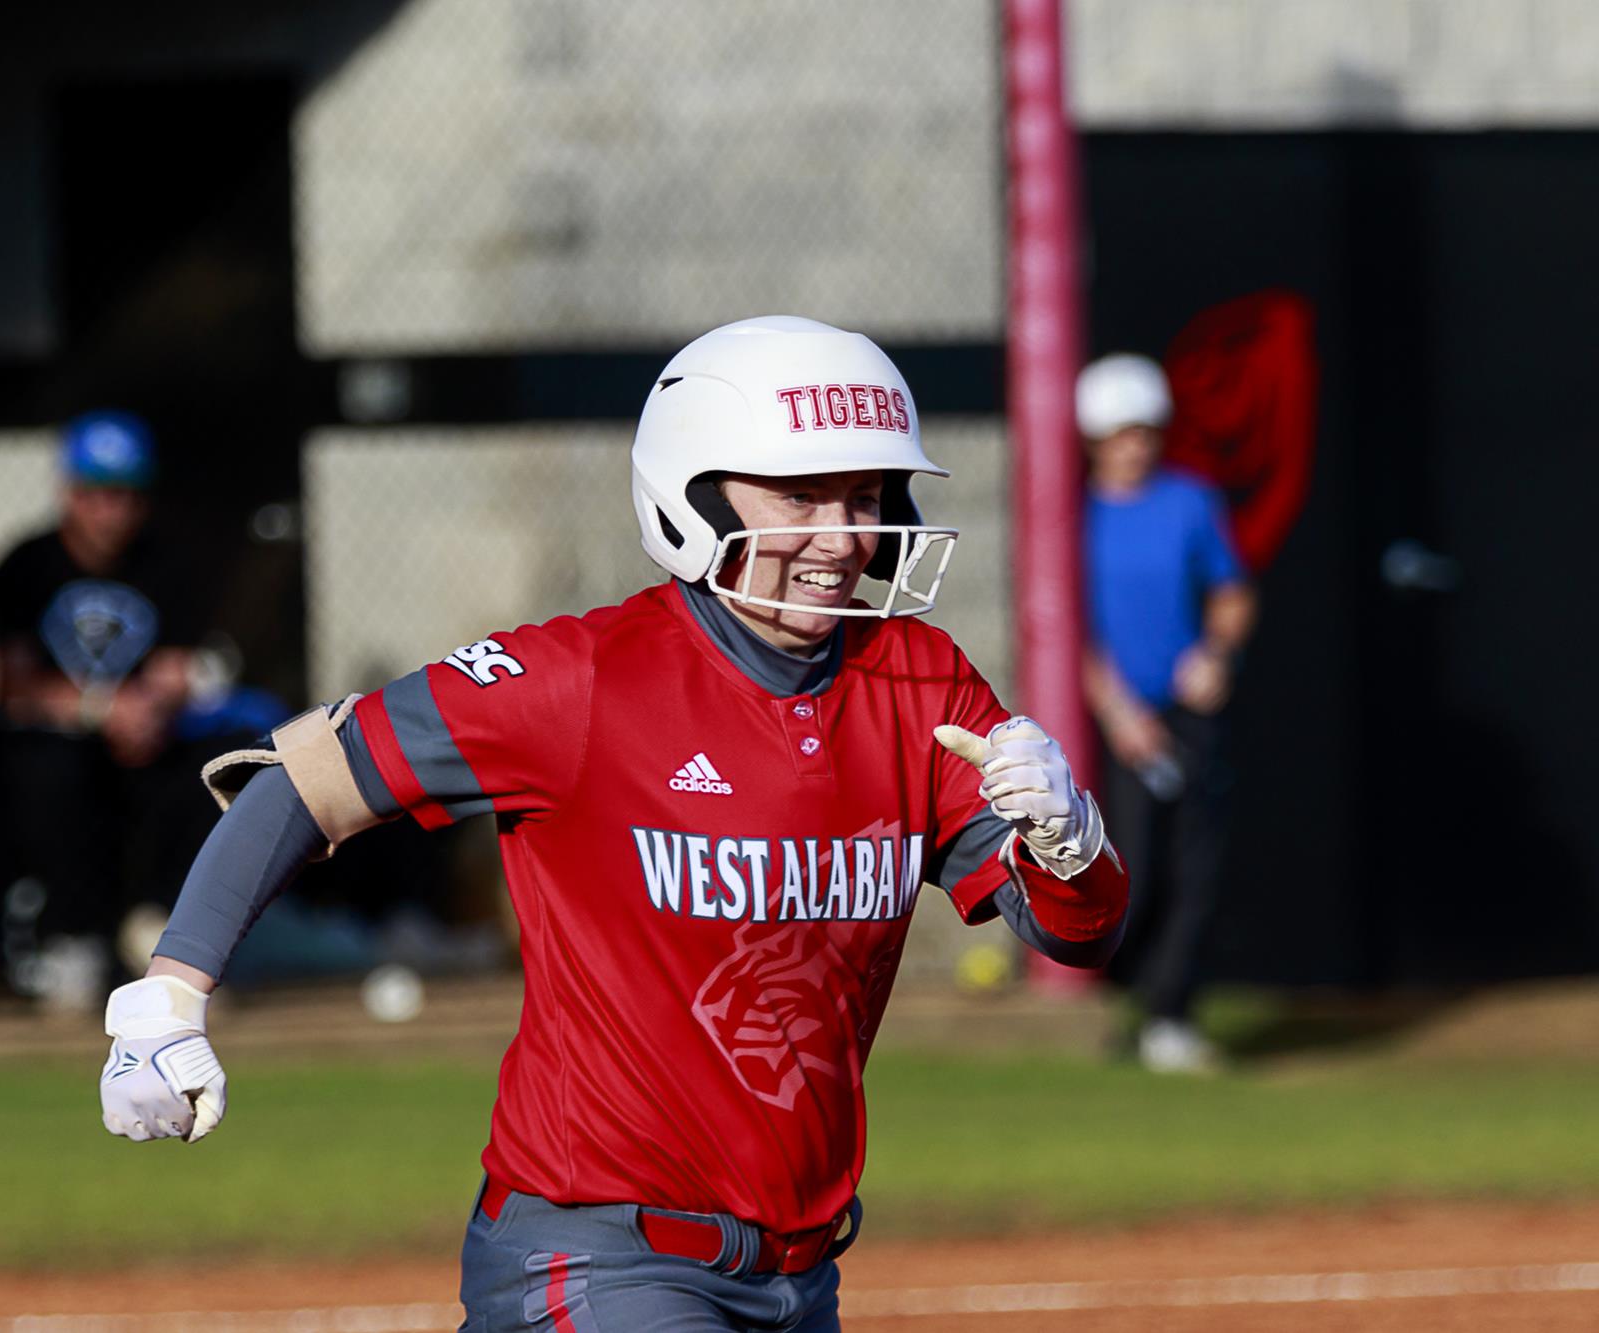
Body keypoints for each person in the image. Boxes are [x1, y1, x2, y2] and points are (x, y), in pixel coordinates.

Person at [97, 317, 1130, 1330]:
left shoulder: (916, 675)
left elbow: (1075, 932)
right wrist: (167, 995)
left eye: (862, 495)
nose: (841, 535)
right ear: (693, 490)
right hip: (596, 1253)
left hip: (800, 1275)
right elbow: (308, 778)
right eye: (800, 494)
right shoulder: (579, 680)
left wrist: (1068, 839)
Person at [0, 411, 232, 1014]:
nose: (109, 510)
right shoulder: (27, 565)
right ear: (70, 492)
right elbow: (9, 683)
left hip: (144, 739)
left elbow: (177, 668)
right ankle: (72, 938)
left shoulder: (168, 562)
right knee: (48, 771)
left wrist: (147, 708)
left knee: (219, 765)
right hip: (57, 744)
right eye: (96, 493)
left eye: (123, 494)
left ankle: (163, 932)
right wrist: (100, 708)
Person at [1077, 353, 1257, 1074]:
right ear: (1094, 438)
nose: (1135, 445)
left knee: (1194, 866)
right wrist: (1117, 711)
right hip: (1113, 724)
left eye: (1145, 430)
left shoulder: (1190, 502)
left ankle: (1171, 1015)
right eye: (1121, 432)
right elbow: (1068, 627)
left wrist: (1214, 653)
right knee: (1133, 869)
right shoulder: (1074, 515)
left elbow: (1232, 593)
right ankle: (1126, 1002)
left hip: (1185, 717)